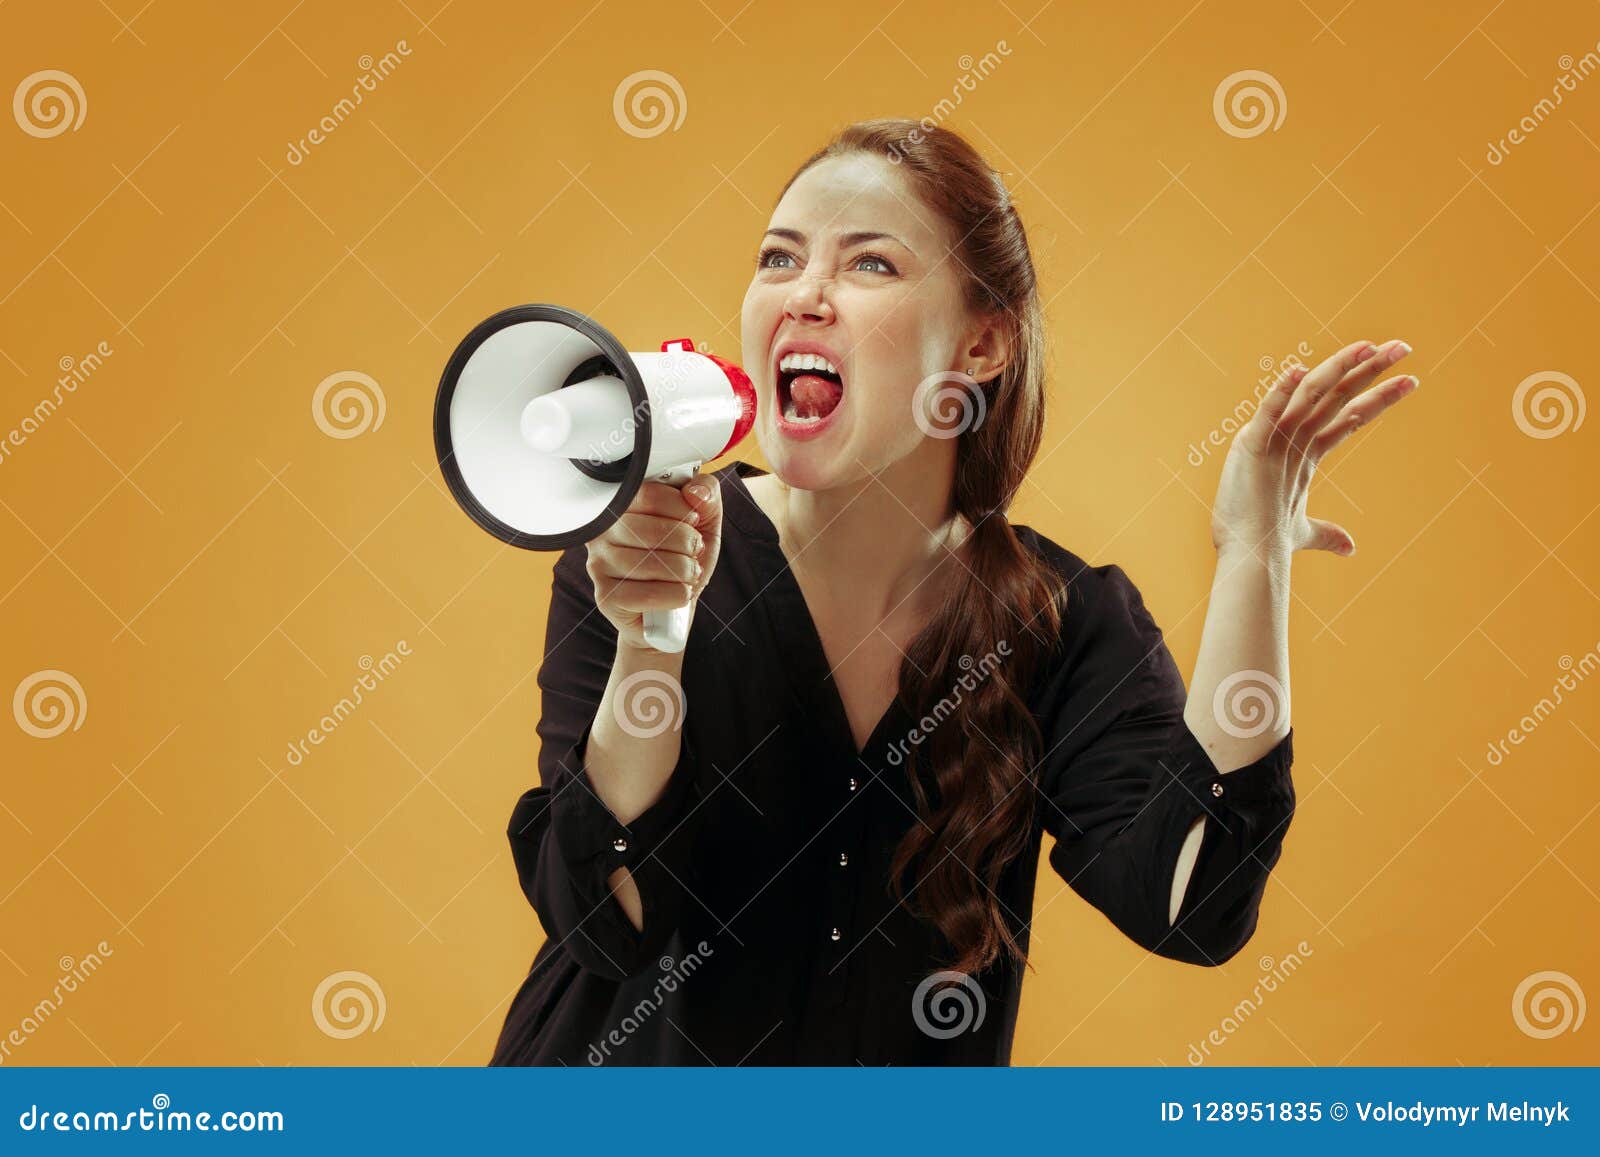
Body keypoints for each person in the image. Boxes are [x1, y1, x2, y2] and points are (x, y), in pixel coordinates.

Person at [488, 118, 1418, 1065]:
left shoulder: (1065, 620)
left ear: (980, 347)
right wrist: (653, 635)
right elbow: (608, 925)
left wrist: (1253, 554)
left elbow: (1191, 905)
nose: (803, 295)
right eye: (778, 257)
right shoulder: (632, 564)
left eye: (870, 266)